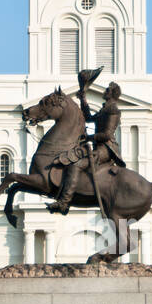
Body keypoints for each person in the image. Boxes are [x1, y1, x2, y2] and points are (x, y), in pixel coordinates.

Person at [49, 69, 125, 214]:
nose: (106, 91)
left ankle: (64, 202)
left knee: (76, 165)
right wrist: (83, 98)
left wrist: (90, 137)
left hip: (106, 149)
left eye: (108, 89)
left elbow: (107, 134)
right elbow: (89, 117)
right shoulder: (105, 109)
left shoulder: (113, 110)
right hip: (99, 146)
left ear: (113, 93)